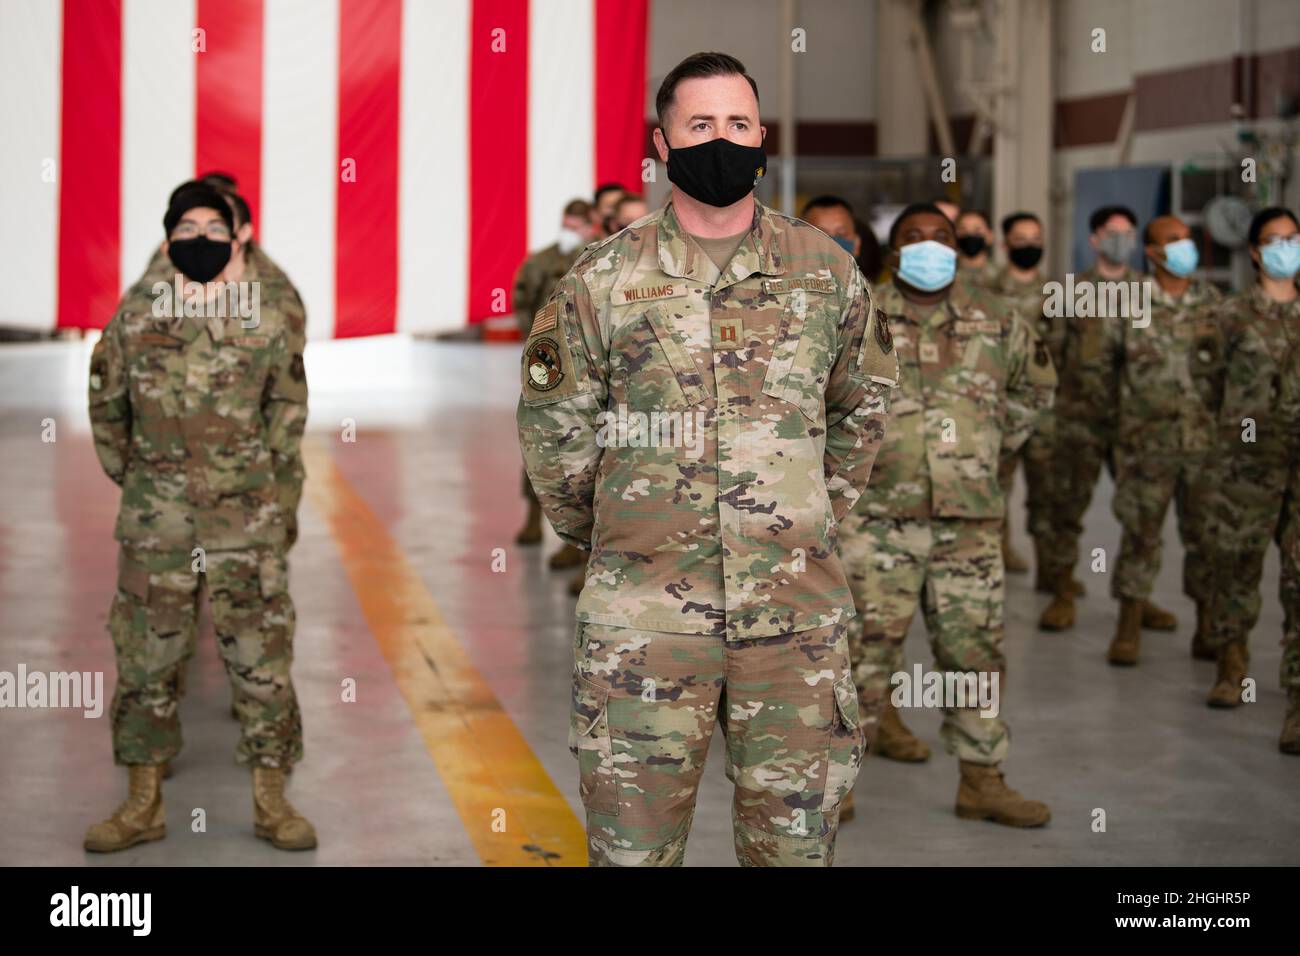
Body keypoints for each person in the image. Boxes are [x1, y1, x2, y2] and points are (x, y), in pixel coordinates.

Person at [517, 51, 897, 866]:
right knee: (632, 852)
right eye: (699, 126)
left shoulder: (826, 272)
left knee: (794, 852)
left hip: (794, 619)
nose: (720, 140)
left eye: (736, 124)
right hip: (643, 621)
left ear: (763, 137)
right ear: (660, 144)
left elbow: (863, 407)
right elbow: (555, 431)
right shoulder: (601, 279)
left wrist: (805, 513)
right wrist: (625, 536)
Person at [85, 183, 315, 852]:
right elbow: (107, 412)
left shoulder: (266, 320)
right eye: (188, 225)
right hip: (157, 526)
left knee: (262, 659)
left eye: (216, 226)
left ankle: (273, 801)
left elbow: (287, 415)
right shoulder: (134, 321)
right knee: (146, 659)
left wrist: (258, 491)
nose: (202, 237)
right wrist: (144, 483)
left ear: (239, 237)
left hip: (246, 525)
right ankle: (142, 802)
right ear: (166, 240)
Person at [839, 203, 1055, 826]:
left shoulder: (996, 318)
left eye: (941, 237)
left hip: (969, 521)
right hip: (877, 519)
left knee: (975, 655)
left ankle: (982, 781)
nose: (929, 246)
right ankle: (839, 781)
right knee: (861, 655)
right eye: (914, 237)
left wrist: (987, 446)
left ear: (958, 248)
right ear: (894, 248)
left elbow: (1036, 387)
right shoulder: (857, 317)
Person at [1039, 205, 1177, 633]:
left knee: (1143, 516)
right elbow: (1049, 359)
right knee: (1066, 510)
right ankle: (1062, 592)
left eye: (1129, 233)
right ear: (1095, 239)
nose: (1122, 239)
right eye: (1112, 232)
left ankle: (1137, 598)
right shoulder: (1070, 292)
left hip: (1138, 428)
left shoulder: (1153, 294)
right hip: (1080, 421)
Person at [1106, 215, 1223, 666]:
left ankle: (1208, 624)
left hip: (1203, 443)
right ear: (1152, 253)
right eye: (1173, 241)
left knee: (1206, 537)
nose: (1184, 248)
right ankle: (1129, 623)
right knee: (1141, 534)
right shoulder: (1126, 303)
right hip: (1146, 444)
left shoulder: (1213, 303)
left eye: (1188, 239)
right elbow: (1104, 374)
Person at [1202, 207, 1300, 741]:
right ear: (1257, 251)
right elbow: (1205, 379)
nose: (1286, 247)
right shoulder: (1232, 314)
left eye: (1294, 238)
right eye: (1275, 240)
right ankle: (1231, 661)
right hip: (1249, 461)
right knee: (1237, 562)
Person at [513, 199, 597, 554]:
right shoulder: (541, 261)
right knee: (541, 442)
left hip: (589, 370)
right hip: (547, 367)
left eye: (579, 224)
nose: (571, 230)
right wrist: (534, 343)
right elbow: (521, 299)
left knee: (584, 451)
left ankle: (573, 544)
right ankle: (533, 516)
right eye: (568, 223)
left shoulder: (599, 258)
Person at [988, 212, 1056, 576]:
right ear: (1005, 245)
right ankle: (999, 553)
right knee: (997, 489)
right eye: (1021, 238)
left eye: (1035, 238)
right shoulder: (987, 293)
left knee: (1048, 494)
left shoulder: (1057, 294)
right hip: (999, 407)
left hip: (1046, 412)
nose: (1029, 245)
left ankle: (1053, 568)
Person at [801, 194, 883, 283]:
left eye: (841, 234)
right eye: (820, 235)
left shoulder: (872, 295)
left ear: (857, 244)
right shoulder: (787, 293)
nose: (831, 243)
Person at [955, 210, 998, 288]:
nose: (969, 234)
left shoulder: (1001, 277)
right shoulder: (945, 274)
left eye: (977, 230)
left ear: (990, 236)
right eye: (962, 229)